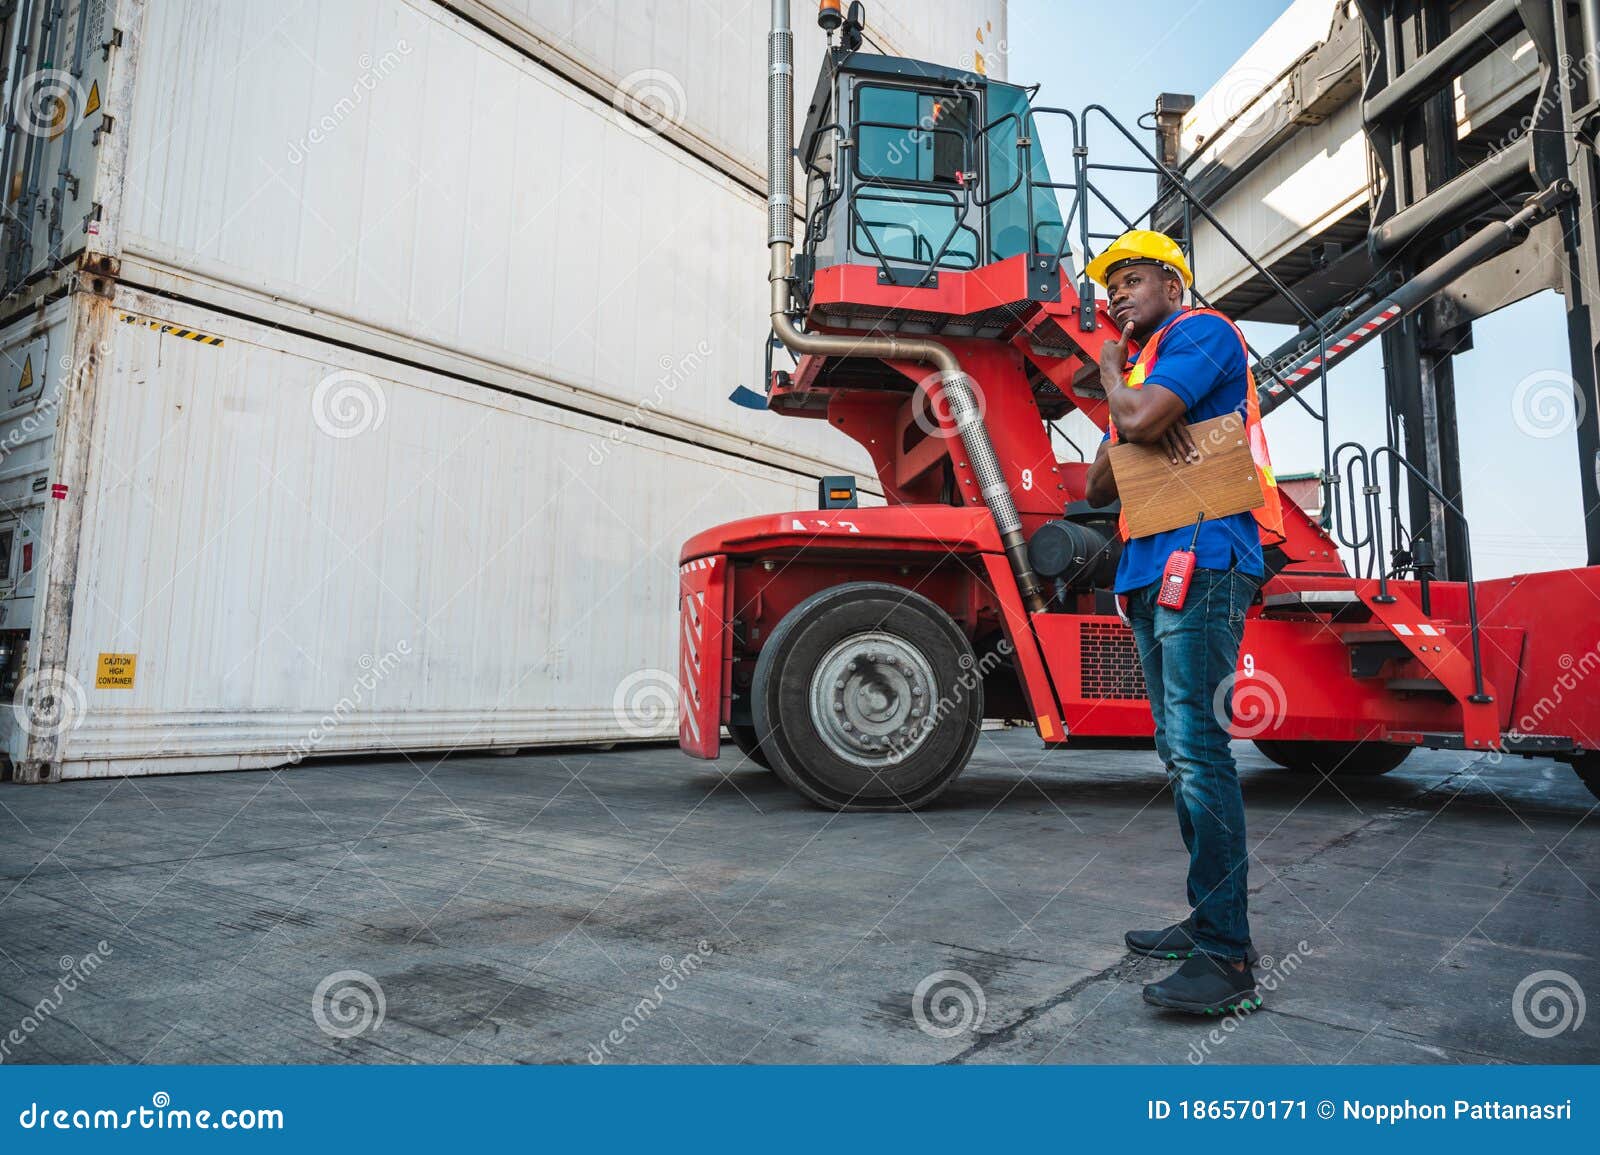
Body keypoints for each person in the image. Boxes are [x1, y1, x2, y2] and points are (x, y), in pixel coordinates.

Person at [1082, 230, 1284, 1016]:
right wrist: (1133, 411)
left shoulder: (1200, 333)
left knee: (1201, 753)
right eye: (1111, 287)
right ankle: (1208, 916)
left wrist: (1116, 386)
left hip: (1201, 559)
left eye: (1133, 280)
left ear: (1172, 282)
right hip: (1149, 571)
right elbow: (1103, 478)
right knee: (1178, 752)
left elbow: (1133, 425)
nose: (1118, 295)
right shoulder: (1145, 369)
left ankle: (1227, 957)